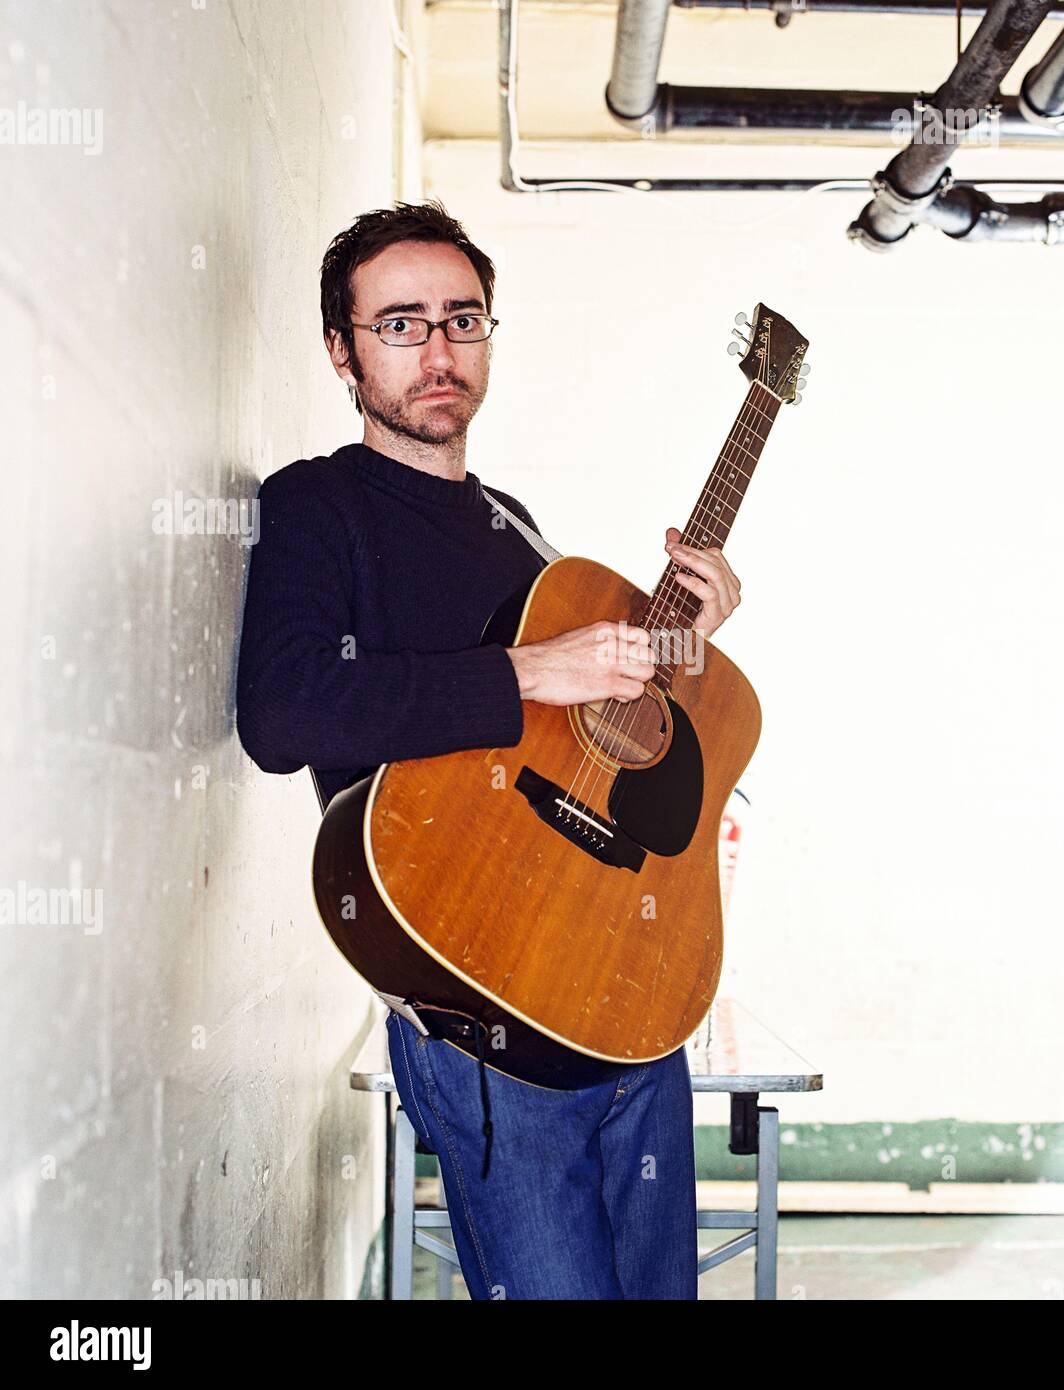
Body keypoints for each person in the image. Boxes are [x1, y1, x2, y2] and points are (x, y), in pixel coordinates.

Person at [235, 200, 742, 1300]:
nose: (439, 351)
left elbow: (574, 739)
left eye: (462, 320)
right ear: (342, 350)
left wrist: (680, 648)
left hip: (628, 1005)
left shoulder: (513, 522)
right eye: (401, 324)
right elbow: (282, 713)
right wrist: (529, 670)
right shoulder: (316, 505)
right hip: (484, 1015)